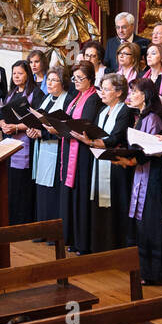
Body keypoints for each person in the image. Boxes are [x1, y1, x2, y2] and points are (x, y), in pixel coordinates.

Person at [74, 73, 135, 250]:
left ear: (118, 92)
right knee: (99, 205)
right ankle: (100, 246)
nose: (102, 93)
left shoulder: (125, 111)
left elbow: (116, 136)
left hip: (116, 165)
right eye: (102, 89)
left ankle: (116, 247)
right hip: (99, 160)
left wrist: (91, 142)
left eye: (107, 89)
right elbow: (95, 131)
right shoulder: (102, 110)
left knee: (115, 205)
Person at [127, 77, 162, 285]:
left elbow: (151, 149)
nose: (131, 96)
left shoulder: (153, 118)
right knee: (141, 224)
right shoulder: (141, 116)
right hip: (141, 172)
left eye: (134, 92)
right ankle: (144, 270)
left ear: (144, 95)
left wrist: (131, 158)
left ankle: (154, 272)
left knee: (150, 223)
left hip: (153, 175)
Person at [58, 60, 102, 255]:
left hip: (83, 153)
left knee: (81, 196)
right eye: (74, 78)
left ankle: (83, 241)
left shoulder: (93, 99)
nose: (76, 81)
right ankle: (73, 238)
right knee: (71, 194)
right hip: (70, 147)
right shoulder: (76, 97)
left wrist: (65, 128)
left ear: (90, 79)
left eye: (80, 78)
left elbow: (86, 125)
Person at [29, 67, 72, 229]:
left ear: (63, 83)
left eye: (54, 80)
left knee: (53, 191)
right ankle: (42, 229)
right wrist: (32, 130)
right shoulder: (45, 99)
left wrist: (43, 133)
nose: (50, 83)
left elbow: (65, 129)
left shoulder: (67, 101)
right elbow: (38, 121)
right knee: (42, 189)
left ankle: (53, 231)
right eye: (48, 80)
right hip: (42, 150)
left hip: (57, 151)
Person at [0, 59, 40, 225]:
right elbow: (1, 115)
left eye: (20, 73)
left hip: (26, 143)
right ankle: (12, 219)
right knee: (12, 182)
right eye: (14, 73)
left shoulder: (35, 93)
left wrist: (16, 127)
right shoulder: (11, 93)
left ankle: (24, 221)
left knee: (23, 183)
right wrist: (3, 125)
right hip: (10, 143)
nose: (16, 76)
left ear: (28, 74)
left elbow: (36, 119)